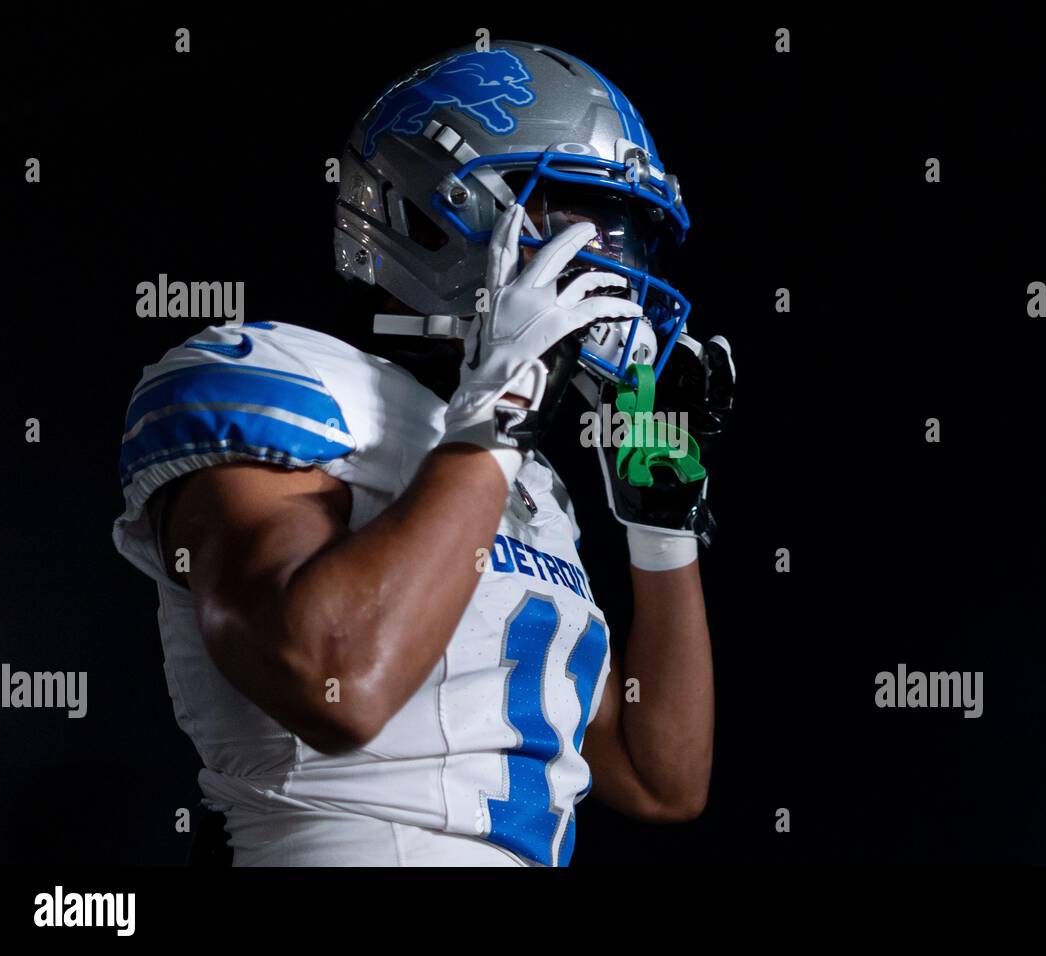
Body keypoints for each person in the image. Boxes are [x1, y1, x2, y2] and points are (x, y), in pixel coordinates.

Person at [112, 40, 735, 866]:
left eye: (626, 238)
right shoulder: (280, 377)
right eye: (576, 221)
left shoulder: (533, 485)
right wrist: (498, 416)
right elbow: (336, 682)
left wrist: (659, 532)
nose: (611, 268)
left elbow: (663, 781)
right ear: (430, 209)